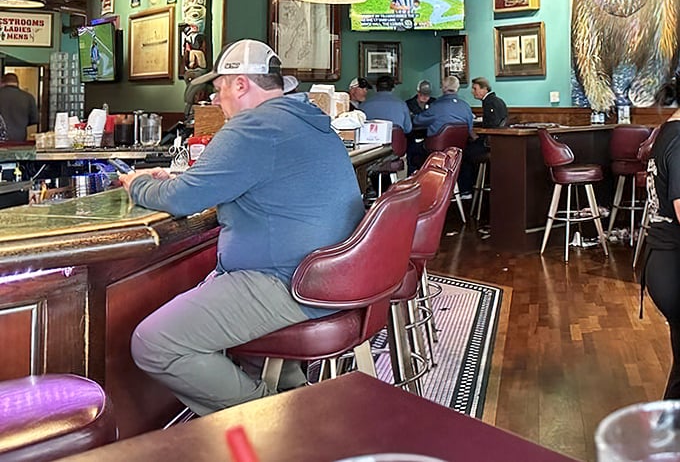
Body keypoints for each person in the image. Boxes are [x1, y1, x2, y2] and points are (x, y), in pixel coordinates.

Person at [118, 39, 365, 415]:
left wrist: (137, 184)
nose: (217, 101)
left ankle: (270, 420)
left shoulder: (254, 126)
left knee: (155, 343)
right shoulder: (308, 119)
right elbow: (226, 180)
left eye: (219, 90)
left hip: (288, 281)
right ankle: (293, 401)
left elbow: (183, 199)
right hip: (328, 276)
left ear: (240, 84)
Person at [643, 103, 680, 399]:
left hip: (662, 259)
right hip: (673, 264)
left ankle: (667, 437)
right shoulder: (679, 140)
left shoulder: (667, 132)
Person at [413, 75, 474, 192]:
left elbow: (417, 120)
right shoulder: (465, 106)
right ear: (457, 88)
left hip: (436, 150)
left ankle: (419, 190)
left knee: (412, 150)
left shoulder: (436, 106)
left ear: (443, 88)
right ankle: (465, 191)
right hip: (458, 151)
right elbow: (470, 128)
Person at [0, 72, 38, 142]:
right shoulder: (28, 97)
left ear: (1, 82)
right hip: (20, 139)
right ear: (17, 83)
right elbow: (34, 120)